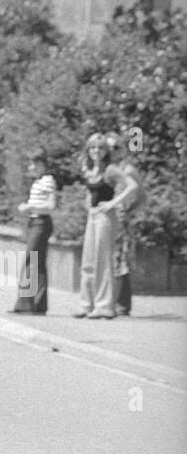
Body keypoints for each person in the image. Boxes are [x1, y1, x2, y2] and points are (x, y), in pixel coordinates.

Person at [75, 133, 137, 319]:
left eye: (101, 148)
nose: (96, 151)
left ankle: (104, 306)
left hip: (105, 218)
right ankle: (86, 304)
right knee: (87, 262)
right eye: (93, 147)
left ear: (106, 151)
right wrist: (88, 206)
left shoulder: (110, 169)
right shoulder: (89, 169)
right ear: (88, 149)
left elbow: (132, 186)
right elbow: (90, 192)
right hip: (93, 217)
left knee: (102, 261)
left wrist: (112, 203)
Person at [11, 149, 56, 315]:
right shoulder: (38, 181)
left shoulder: (47, 180)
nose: (31, 167)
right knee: (37, 262)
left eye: (35, 163)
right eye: (30, 164)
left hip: (41, 223)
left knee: (31, 260)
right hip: (34, 221)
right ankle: (37, 304)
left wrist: (30, 207)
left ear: (43, 164)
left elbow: (51, 206)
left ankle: (26, 304)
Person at [108, 131, 143, 317]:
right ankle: (111, 301)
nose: (112, 151)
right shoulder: (109, 168)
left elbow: (142, 196)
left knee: (121, 259)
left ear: (122, 149)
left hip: (121, 221)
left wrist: (129, 212)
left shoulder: (128, 169)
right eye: (109, 148)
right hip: (108, 220)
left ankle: (122, 304)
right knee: (111, 259)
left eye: (116, 147)